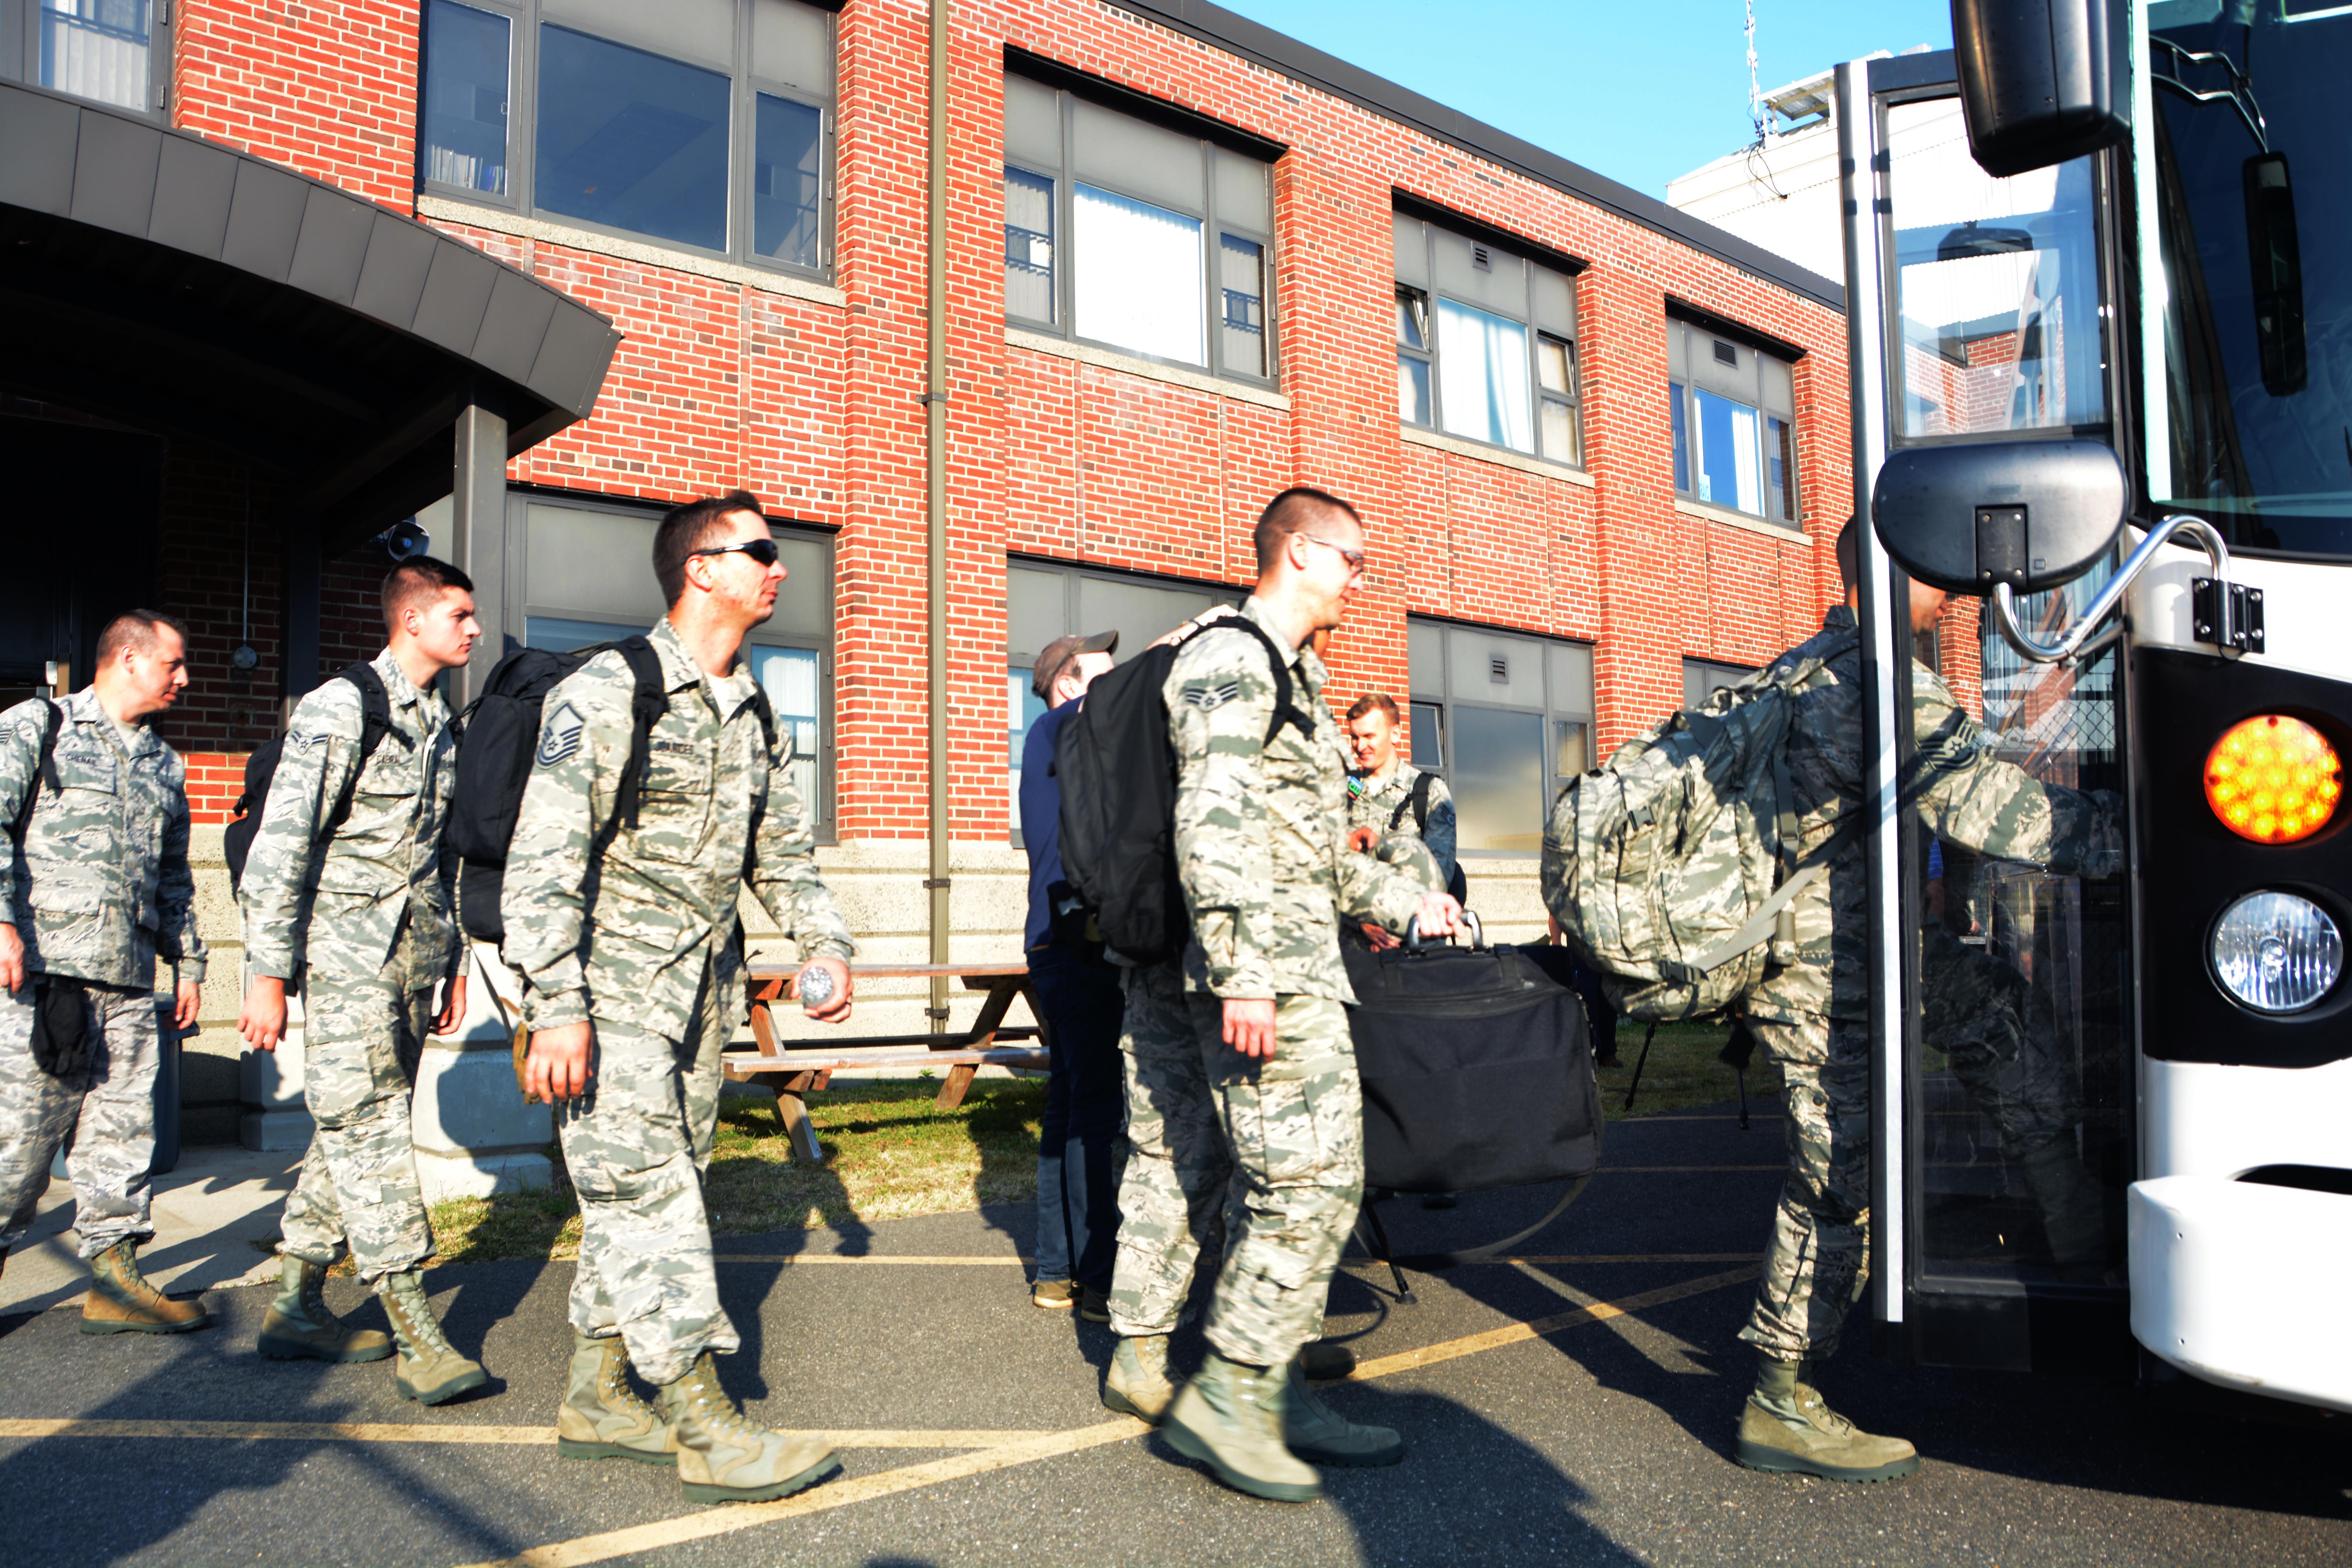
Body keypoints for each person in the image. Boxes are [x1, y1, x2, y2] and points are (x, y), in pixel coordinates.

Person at [1722, 516, 2120, 1483]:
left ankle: (2081, 1241)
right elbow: (1987, 806)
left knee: (2006, 1024)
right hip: (1824, 969)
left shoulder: (1820, 667)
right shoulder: (1873, 680)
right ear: (1893, 574)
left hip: (1878, 945)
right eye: (1936, 570)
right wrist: (2141, 834)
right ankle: (1779, 1399)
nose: (1955, 587)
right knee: (1839, 1173)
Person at [1101, 487, 1462, 1504]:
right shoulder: (1233, 657)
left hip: (1291, 961)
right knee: (1305, 1183)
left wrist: (1409, 900)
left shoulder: (1293, 676)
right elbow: (1210, 821)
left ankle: (1274, 1386)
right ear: (1300, 552)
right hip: (1264, 971)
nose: (1360, 579)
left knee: (1280, 1177)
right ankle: (1235, 1389)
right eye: (1353, 559)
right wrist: (1243, 971)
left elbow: (1314, 853)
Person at [504, 489, 857, 1507]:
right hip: (609, 993)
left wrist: (825, 944)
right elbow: (543, 859)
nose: (780, 567)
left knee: (655, 1188)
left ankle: (596, 1395)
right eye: (761, 550)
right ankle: (704, 1421)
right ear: (701, 567)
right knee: (649, 1193)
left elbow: (780, 852)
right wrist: (555, 1005)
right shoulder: (611, 690)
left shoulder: (752, 707)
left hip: (702, 992)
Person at [236, 557, 481, 1399]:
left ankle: (295, 1306)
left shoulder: (440, 721)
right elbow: (281, 846)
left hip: (414, 960)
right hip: (345, 958)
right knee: (371, 1129)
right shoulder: (342, 707)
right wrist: (266, 974)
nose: (474, 629)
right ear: (412, 620)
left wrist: (452, 963)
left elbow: (442, 856)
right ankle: (418, 1331)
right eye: (459, 615)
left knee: (350, 1128)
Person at [0, 611, 207, 1332]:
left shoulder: (165, 763)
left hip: (128, 981)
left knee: (121, 1138)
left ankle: (115, 1281)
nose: (185, 679)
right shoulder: (40, 727)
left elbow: (175, 875)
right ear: (128, 659)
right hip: (43, 979)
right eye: (173, 665)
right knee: (18, 1144)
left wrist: (189, 964)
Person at [1018, 629, 1125, 1319]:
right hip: (1075, 947)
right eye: (1105, 679)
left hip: (1059, 947)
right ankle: (1099, 1280)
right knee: (1095, 1115)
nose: (1118, 689)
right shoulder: (1055, 729)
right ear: (1068, 686)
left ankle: (1058, 1273)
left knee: (1067, 1108)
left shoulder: (1069, 747)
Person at [1343, 693, 1458, 949]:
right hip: (1353, 947)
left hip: (1414, 944)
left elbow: (1438, 875)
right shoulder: (1341, 791)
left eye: (1369, 736)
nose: (1360, 746)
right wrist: (1362, 921)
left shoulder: (1429, 792)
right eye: (1355, 737)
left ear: (1395, 734)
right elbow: (1327, 866)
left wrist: (1391, 924)